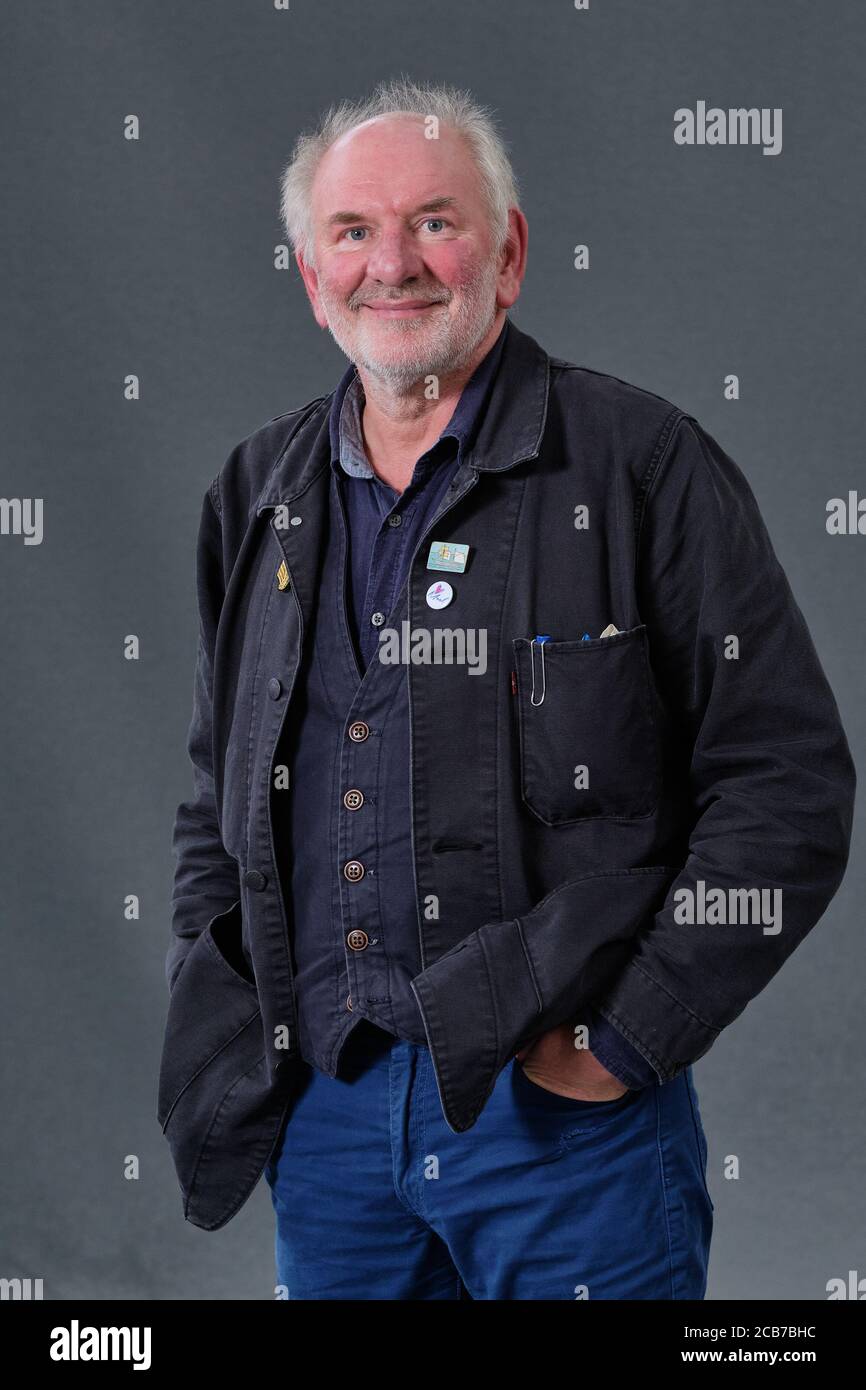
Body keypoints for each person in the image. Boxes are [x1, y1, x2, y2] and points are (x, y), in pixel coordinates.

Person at [157, 77, 855, 1300]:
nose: (395, 264)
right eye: (351, 232)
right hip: (327, 1135)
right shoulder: (252, 496)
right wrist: (238, 1013)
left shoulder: (641, 465)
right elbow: (214, 800)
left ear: (510, 252)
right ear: (313, 281)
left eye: (435, 221)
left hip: (568, 1137)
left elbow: (783, 786)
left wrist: (626, 1037)